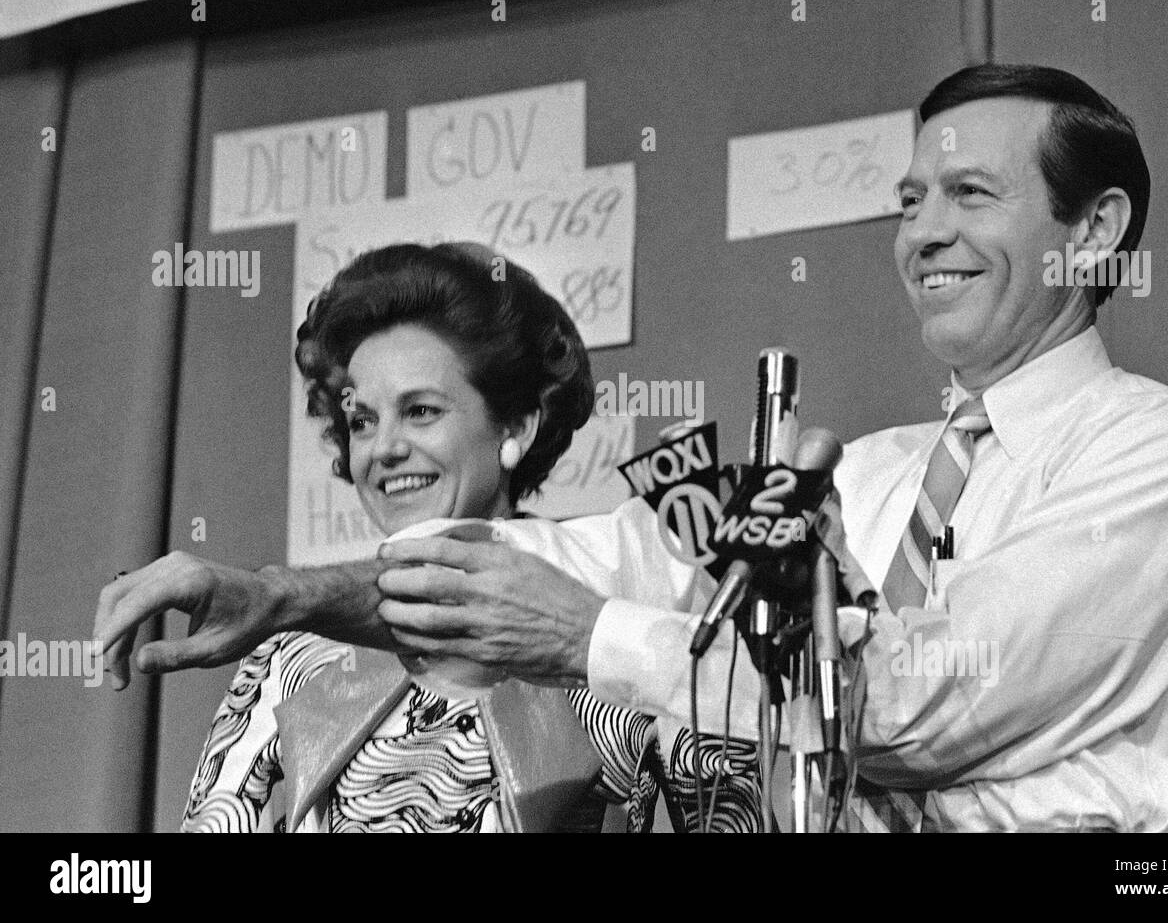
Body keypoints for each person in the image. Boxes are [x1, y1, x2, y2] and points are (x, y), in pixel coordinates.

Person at [97, 65, 1168, 831]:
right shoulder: (861, 475)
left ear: (1096, 228)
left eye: (968, 194)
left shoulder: (1165, 459)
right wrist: (282, 594)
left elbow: (919, 708)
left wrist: (581, 639)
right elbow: (595, 558)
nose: (922, 235)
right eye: (910, 199)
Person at [172, 241, 760, 832]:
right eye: (362, 422)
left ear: (516, 426)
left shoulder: (625, 635)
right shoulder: (292, 653)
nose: (385, 448)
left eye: (421, 411)